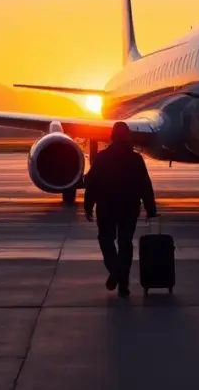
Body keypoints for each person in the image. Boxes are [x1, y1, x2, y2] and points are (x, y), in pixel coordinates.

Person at [83, 122, 158, 298]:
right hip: (129, 208)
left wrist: (88, 206)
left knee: (106, 240)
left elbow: (91, 184)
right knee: (125, 244)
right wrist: (150, 209)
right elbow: (145, 186)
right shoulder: (136, 160)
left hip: (106, 208)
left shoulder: (101, 158)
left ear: (111, 136)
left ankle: (115, 271)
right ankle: (122, 283)